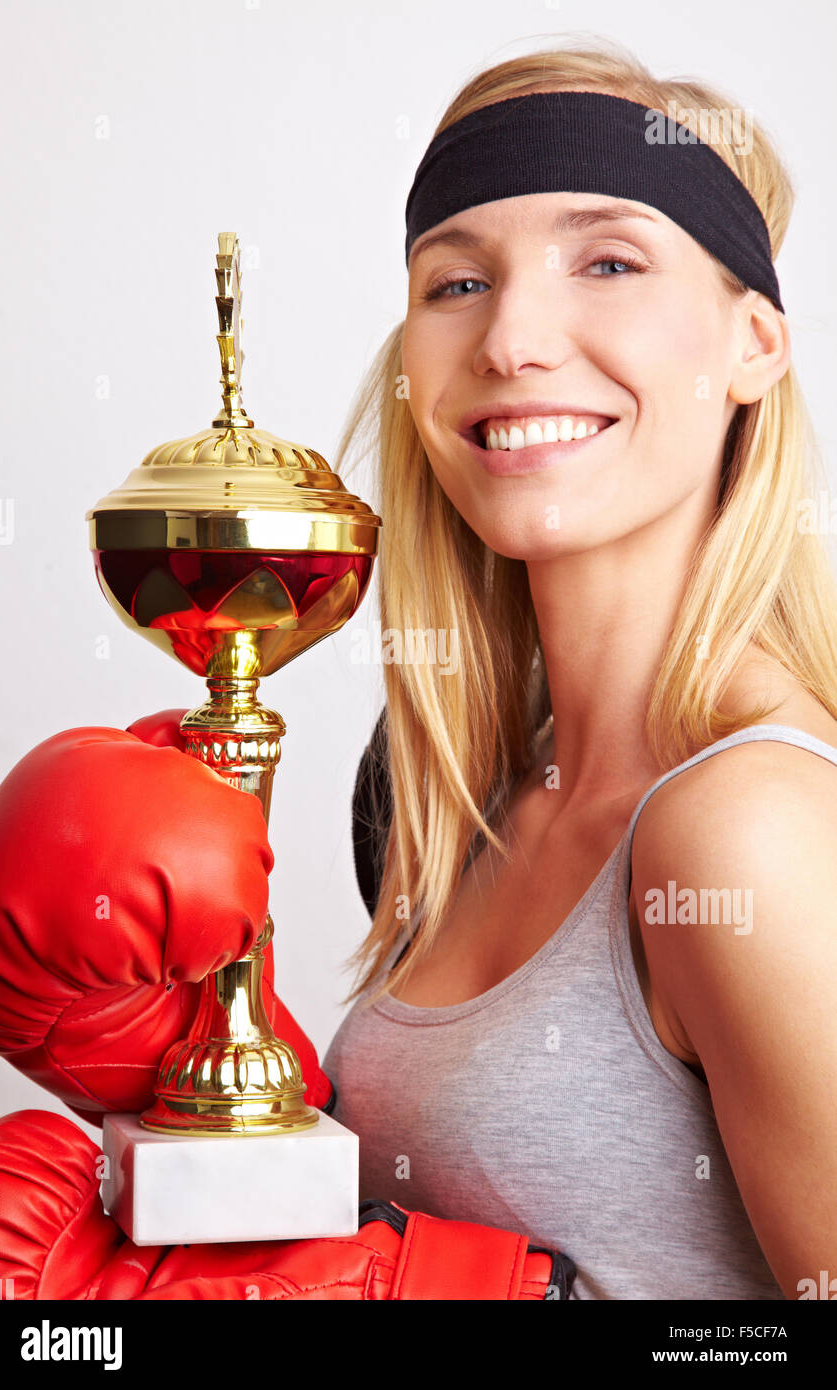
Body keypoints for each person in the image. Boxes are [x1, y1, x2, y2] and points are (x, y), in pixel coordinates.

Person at [326, 39, 837, 1300]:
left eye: (606, 262)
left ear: (753, 345)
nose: (509, 338)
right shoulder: (439, 797)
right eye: (454, 282)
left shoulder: (744, 828)